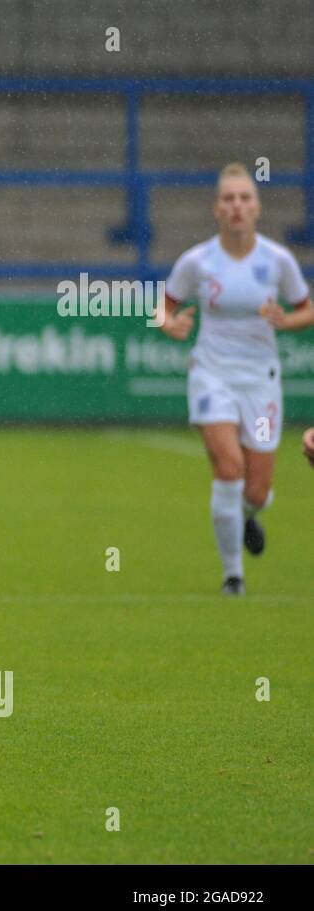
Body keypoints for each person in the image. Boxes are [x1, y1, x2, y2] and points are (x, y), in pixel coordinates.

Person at [158, 162, 313, 595]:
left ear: (257, 208)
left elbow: (308, 309)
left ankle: (245, 516)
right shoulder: (198, 261)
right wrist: (169, 324)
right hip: (211, 375)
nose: (237, 206)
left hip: (261, 381)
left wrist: (285, 319)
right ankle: (233, 576)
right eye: (229, 199)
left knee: (258, 490)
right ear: (217, 209)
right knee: (229, 469)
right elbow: (163, 306)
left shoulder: (277, 260)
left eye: (245, 198)